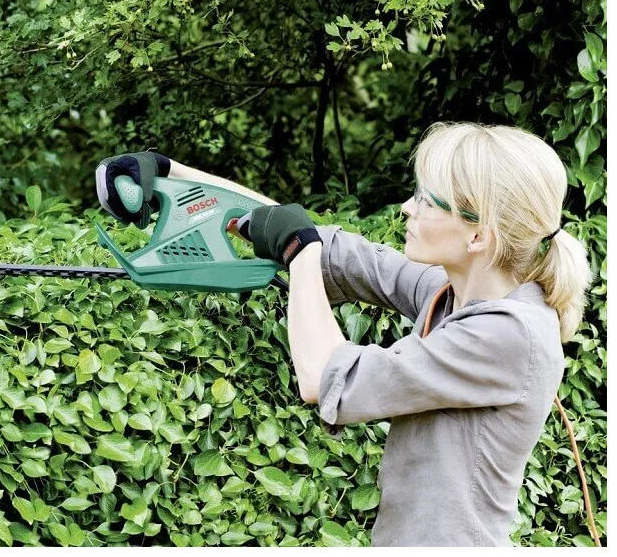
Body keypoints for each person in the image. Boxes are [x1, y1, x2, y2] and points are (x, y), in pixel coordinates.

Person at [94, 122, 594, 546]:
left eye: (427, 200)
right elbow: (319, 243)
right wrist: (170, 175)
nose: (407, 208)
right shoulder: (459, 293)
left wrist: (301, 253)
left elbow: (326, 377)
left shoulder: (508, 335)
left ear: (479, 234)